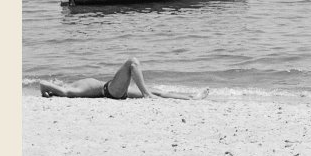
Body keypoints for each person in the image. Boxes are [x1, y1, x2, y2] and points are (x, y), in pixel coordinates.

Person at [38, 57, 208, 100]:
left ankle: (192, 97)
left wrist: (49, 92)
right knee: (132, 62)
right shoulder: (73, 89)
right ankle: (147, 95)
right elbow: (44, 84)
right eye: (55, 84)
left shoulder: (74, 84)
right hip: (110, 91)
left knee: (158, 92)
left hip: (115, 90)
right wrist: (46, 88)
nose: (57, 82)